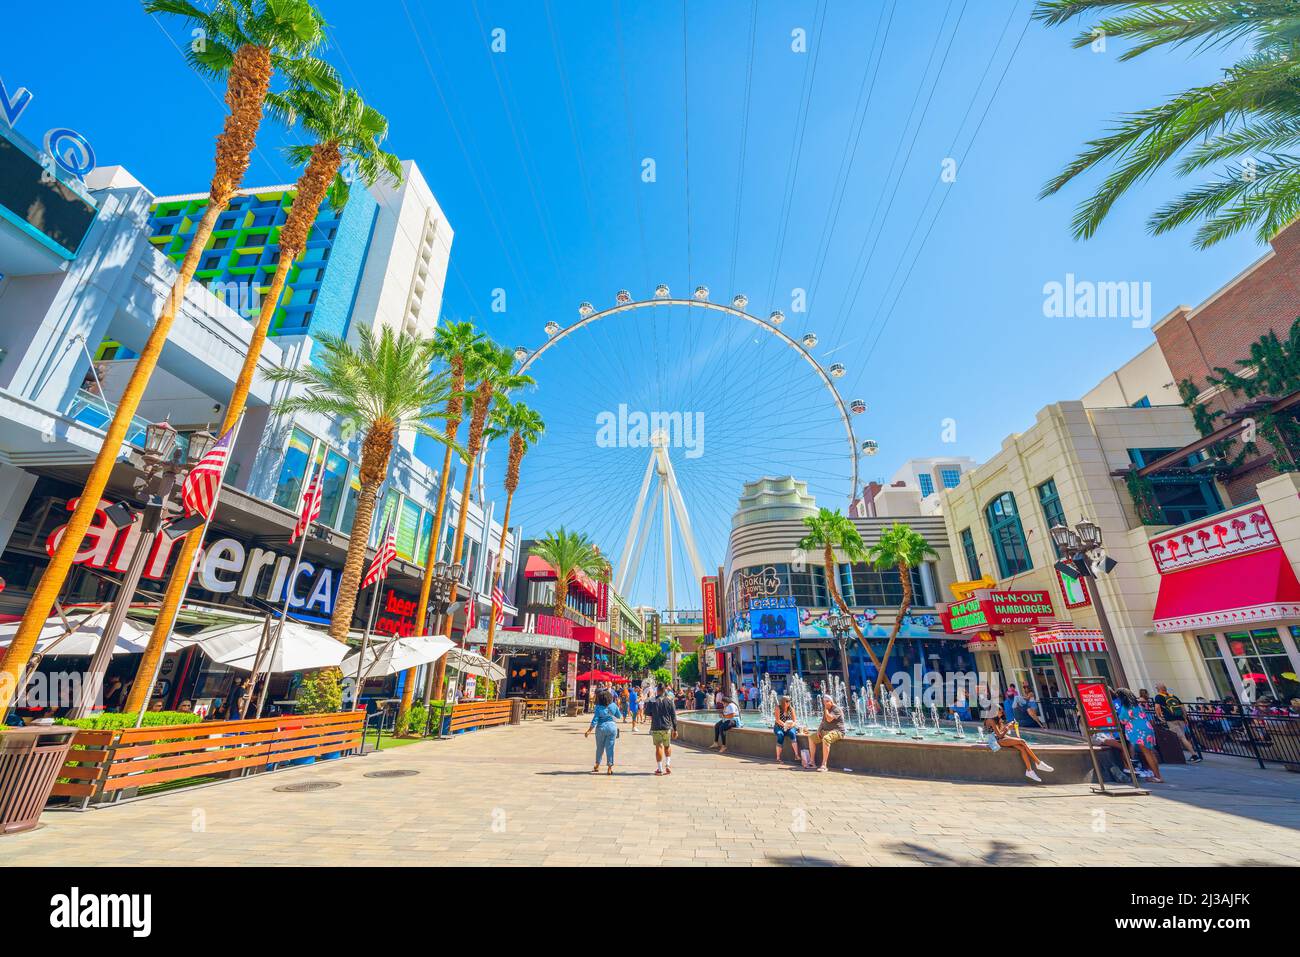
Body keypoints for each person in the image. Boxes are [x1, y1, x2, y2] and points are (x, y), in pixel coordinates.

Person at [984, 703, 1054, 782]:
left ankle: (1029, 771)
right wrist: (1007, 728)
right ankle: (1038, 763)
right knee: (1022, 741)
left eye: (1001, 712)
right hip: (995, 741)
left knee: (1022, 748)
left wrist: (1009, 725)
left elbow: (1000, 732)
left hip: (1000, 738)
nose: (1001, 713)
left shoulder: (997, 719)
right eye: (1000, 712)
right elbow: (999, 735)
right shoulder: (990, 720)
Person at [1113, 687, 1164, 783]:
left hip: (1138, 730)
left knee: (1147, 753)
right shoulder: (1137, 705)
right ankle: (1157, 775)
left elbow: (1123, 720)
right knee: (1150, 753)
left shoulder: (1126, 707)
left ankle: (1158, 777)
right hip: (1147, 727)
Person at [1153, 682, 1201, 762]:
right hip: (1180, 718)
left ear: (1158, 689)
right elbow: (1182, 707)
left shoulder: (1158, 697)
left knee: (1182, 738)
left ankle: (1194, 755)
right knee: (1182, 737)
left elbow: (1157, 707)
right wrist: (1185, 718)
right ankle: (1184, 754)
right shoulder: (1173, 696)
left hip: (1171, 719)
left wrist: (1159, 717)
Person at [584, 689, 621, 774]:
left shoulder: (598, 707)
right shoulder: (613, 705)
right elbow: (619, 716)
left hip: (601, 728)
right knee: (610, 748)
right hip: (612, 728)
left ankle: (597, 765)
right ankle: (609, 768)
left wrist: (589, 730)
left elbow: (595, 719)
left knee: (600, 748)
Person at [645, 684, 678, 775]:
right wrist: (675, 729)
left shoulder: (652, 700)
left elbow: (647, 712)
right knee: (667, 746)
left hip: (656, 727)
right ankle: (667, 765)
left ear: (658, 690)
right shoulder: (669, 700)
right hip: (667, 727)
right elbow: (673, 716)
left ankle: (660, 769)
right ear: (664, 690)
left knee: (658, 746)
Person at [812, 694, 847, 771]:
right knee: (811, 738)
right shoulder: (827, 709)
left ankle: (824, 765)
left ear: (831, 702)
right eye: (824, 702)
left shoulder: (836, 709)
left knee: (826, 739)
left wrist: (826, 710)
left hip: (838, 731)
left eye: (827, 702)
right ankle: (812, 762)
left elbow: (829, 719)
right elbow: (823, 721)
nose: (825, 704)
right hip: (827, 731)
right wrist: (818, 730)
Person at [772, 694, 801, 765]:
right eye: (787, 701)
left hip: (789, 727)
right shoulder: (778, 708)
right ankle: (778, 758)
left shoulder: (791, 709)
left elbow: (794, 721)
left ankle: (796, 755)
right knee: (780, 735)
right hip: (779, 727)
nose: (789, 702)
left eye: (789, 701)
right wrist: (785, 725)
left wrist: (791, 725)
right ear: (783, 702)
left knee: (792, 733)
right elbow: (777, 720)